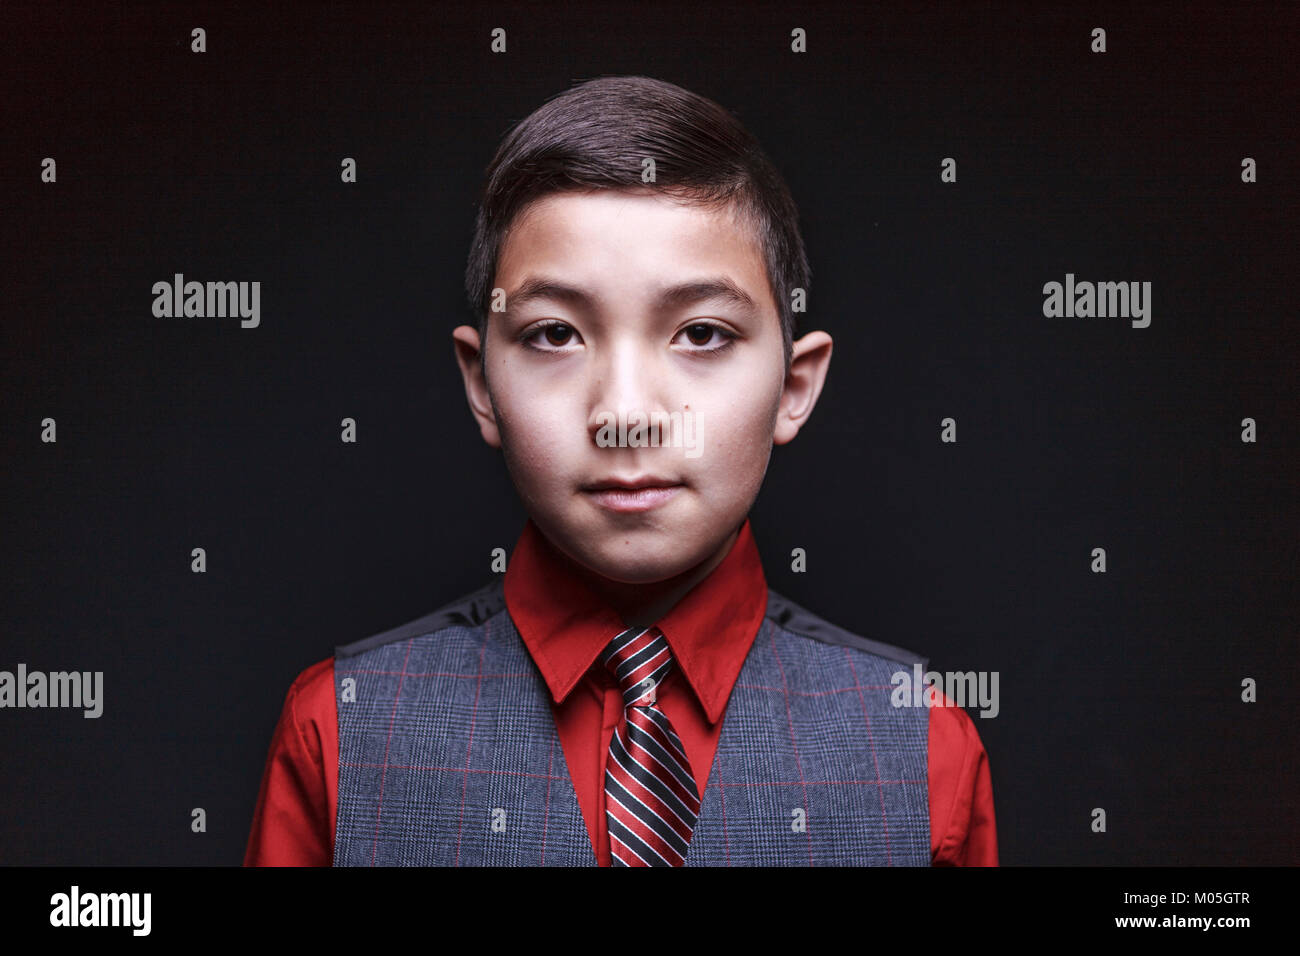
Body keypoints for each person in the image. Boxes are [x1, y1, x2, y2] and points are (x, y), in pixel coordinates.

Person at [244, 75, 997, 866]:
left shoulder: (922, 742)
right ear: (481, 385)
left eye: (702, 333)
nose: (626, 414)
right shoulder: (338, 728)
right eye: (555, 335)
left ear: (794, 387)